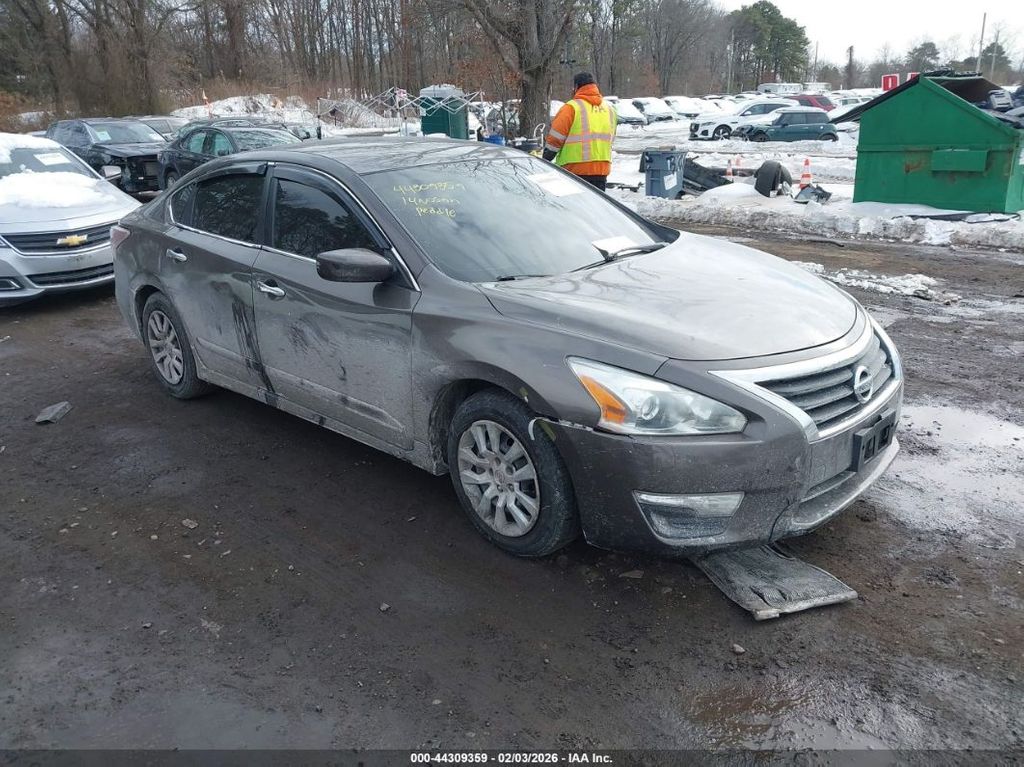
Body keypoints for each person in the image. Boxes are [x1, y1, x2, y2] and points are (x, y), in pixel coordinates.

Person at [543, 72, 617, 190]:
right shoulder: (610, 109)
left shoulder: (571, 108)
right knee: (595, 206)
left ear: (577, 87)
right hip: (602, 169)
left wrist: (545, 158)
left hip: (574, 170)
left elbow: (555, 139)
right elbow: (610, 138)